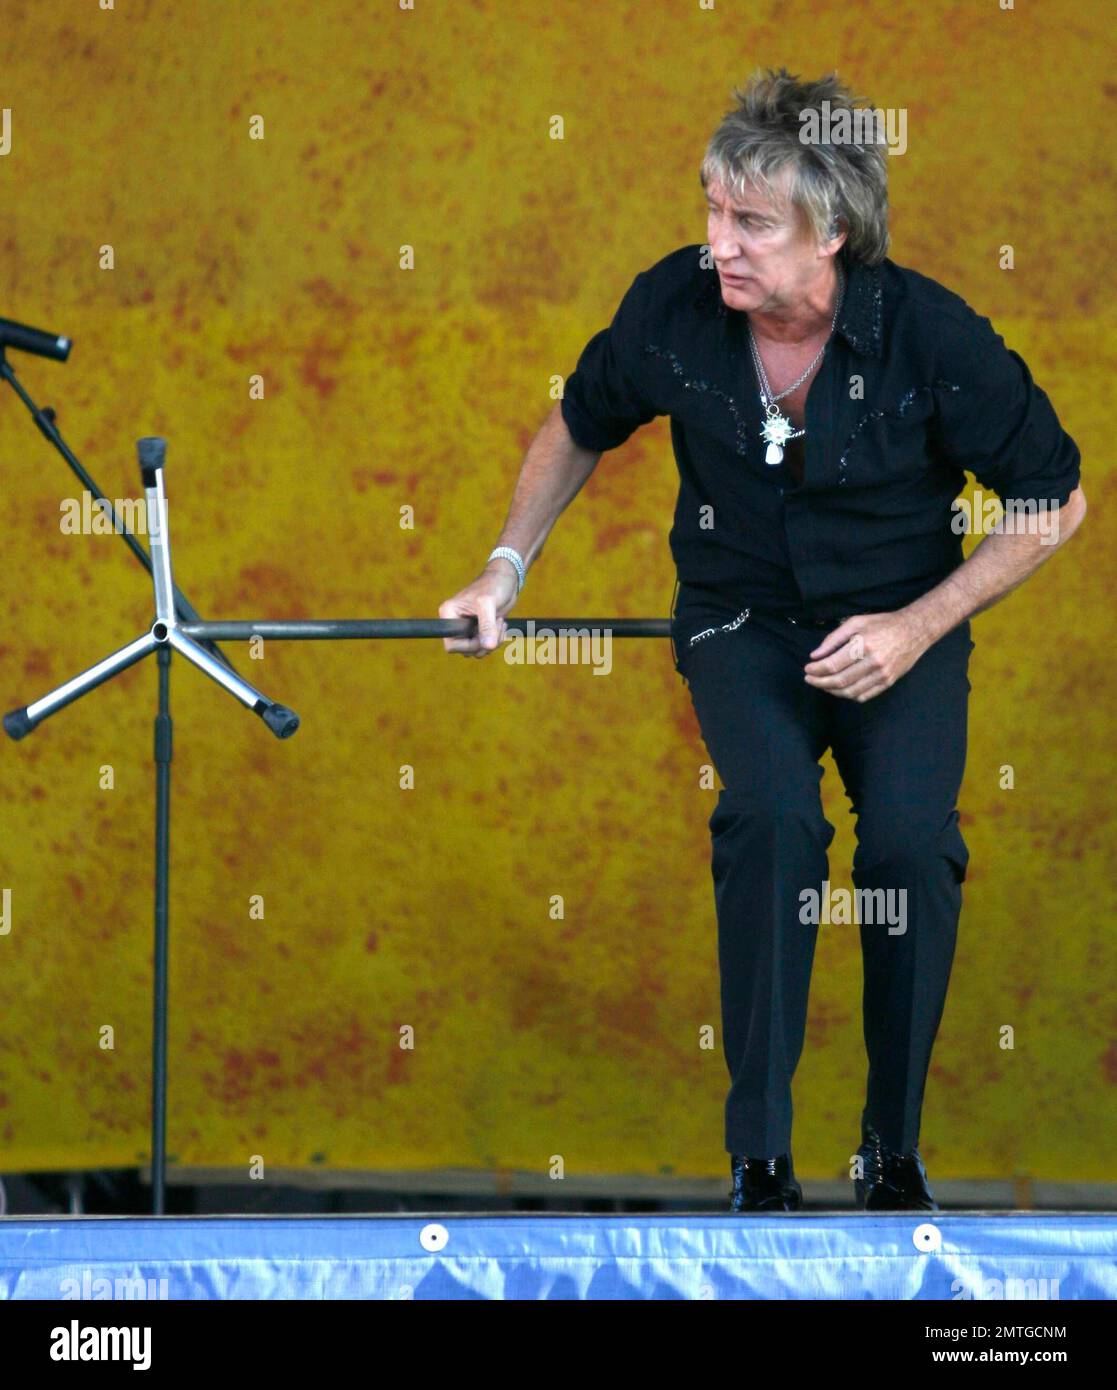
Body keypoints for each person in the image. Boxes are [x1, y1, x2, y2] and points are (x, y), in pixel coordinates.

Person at [438, 68, 1086, 1212]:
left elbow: (1055, 498)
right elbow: (578, 422)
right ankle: (762, 1160)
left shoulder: (929, 334)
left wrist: (917, 625)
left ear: (829, 233)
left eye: (748, 222)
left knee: (905, 852)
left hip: (900, 626)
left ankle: (890, 1151)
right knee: (773, 822)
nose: (716, 244)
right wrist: (505, 566)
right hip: (741, 616)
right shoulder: (675, 307)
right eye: (708, 209)